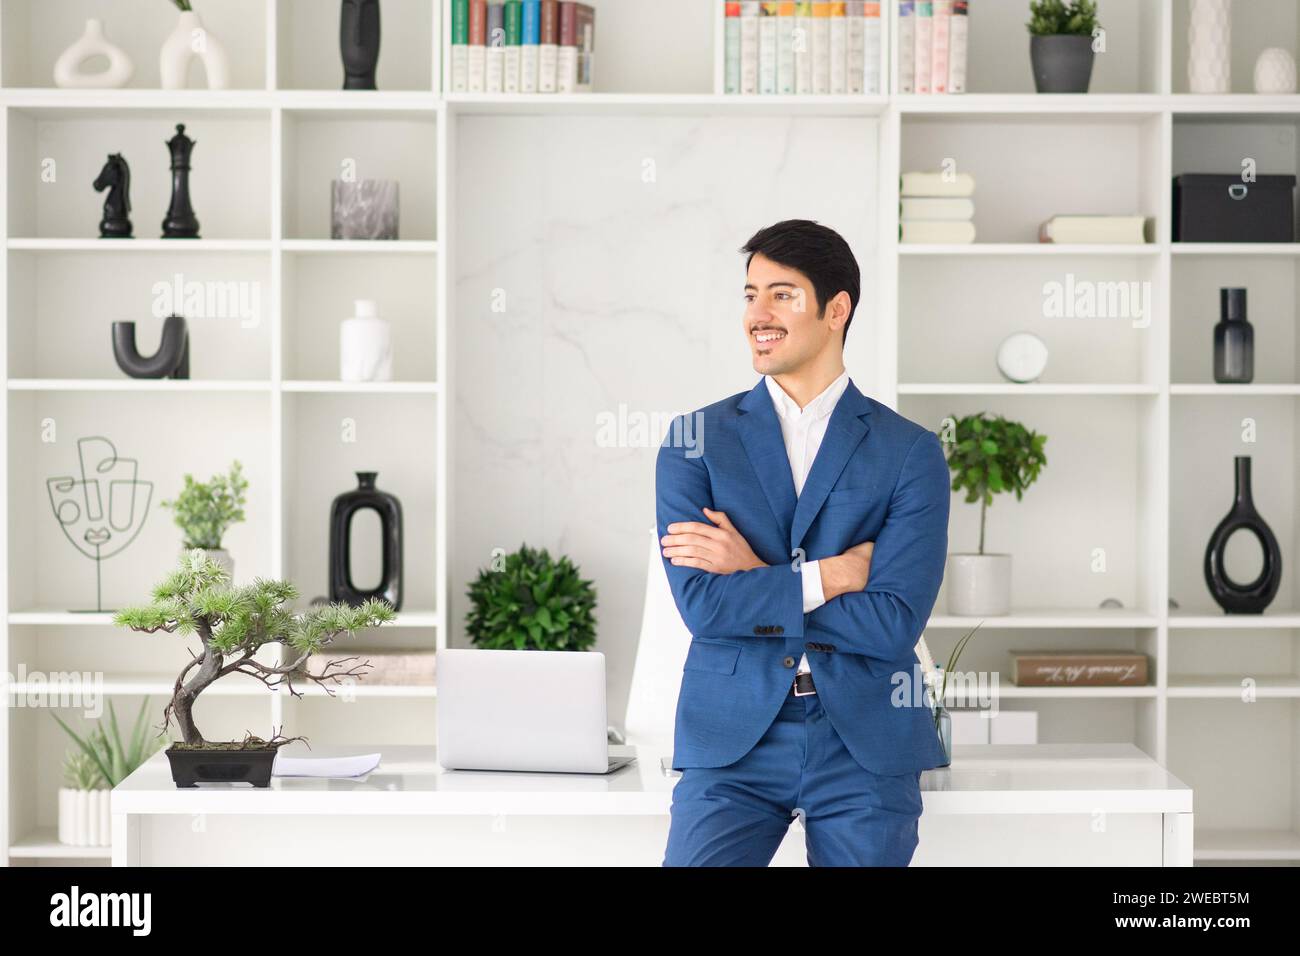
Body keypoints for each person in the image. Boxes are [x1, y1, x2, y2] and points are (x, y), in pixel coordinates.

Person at [657, 219, 950, 867]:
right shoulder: (694, 442)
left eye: (782, 294)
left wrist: (754, 572)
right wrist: (835, 574)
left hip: (865, 738)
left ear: (836, 310)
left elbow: (892, 625)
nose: (756, 314)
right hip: (732, 737)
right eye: (749, 294)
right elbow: (704, 608)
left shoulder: (910, 453)